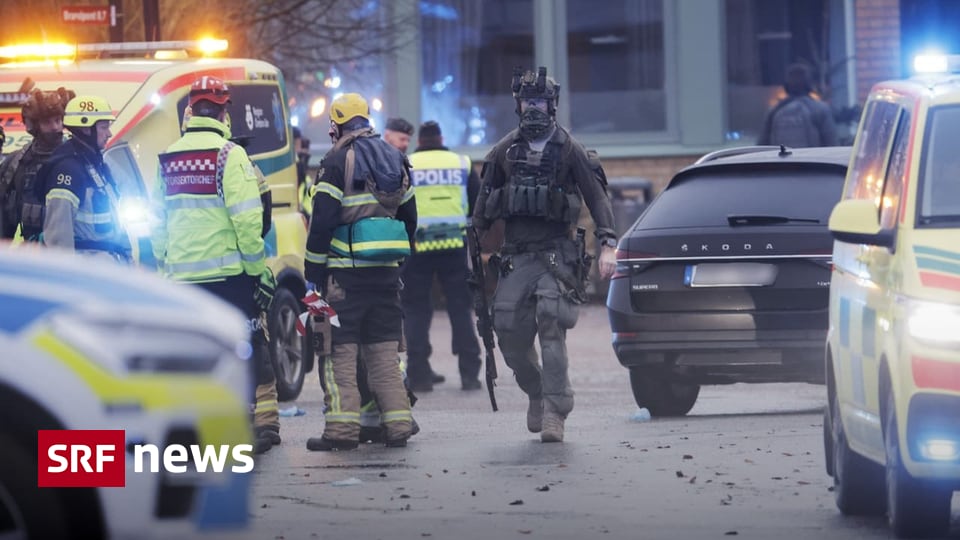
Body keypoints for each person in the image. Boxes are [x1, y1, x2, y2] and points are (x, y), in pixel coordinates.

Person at [472, 67, 617, 443]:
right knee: (508, 334)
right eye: (527, 102)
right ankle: (536, 391)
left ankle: (555, 409)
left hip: (556, 253)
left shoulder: (570, 150)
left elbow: (598, 198)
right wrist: (472, 250)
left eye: (539, 102)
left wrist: (608, 244)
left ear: (551, 106)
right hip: (516, 255)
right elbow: (482, 209)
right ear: (518, 105)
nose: (533, 109)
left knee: (551, 324)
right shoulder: (505, 151)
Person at [152, 76, 278, 454]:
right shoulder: (229, 155)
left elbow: (158, 223)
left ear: (190, 111)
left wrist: (165, 266)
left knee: (196, 356)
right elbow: (246, 220)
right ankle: (242, 430)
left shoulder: (170, 157)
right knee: (246, 349)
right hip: (230, 279)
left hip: (183, 280)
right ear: (224, 112)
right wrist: (259, 271)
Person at [304, 92, 416, 451]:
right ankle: (398, 426)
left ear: (336, 125)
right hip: (385, 276)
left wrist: (313, 272)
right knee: (384, 355)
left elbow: (321, 221)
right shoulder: (396, 157)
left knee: (339, 356)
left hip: (343, 278)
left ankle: (341, 432)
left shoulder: (336, 160)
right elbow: (410, 219)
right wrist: (396, 261)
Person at [402, 120, 483, 393]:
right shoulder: (461, 163)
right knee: (460, 309)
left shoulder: (407, 163)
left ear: (420, 141)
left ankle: (419, 375)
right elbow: (478, 202)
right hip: (454, 244)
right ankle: (470, 373)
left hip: (417, 247)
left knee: (416, 311)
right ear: (441, 138)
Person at [39, 95, 130, 261]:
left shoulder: (96, 165)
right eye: (103, 127)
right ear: (86, 129)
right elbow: (58, 240)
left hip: (109, 267)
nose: (109, 133)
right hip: (89, 272)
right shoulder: (67, 171)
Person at [0, 87, 74, 241]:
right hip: (34, 255)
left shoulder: (78, 159)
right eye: (47, 122)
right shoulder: (15, 164)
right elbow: (4, 220)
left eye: (58, 120)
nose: (55, 127)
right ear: (33, 126)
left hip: (74, 253)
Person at [757, 63, 838, 148]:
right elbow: (832, 144)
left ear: (786, 86)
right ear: (809, 85)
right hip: (811, 160)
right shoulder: (820, 109)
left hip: (782, 161)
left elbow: (761, 145)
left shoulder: (774, 111)